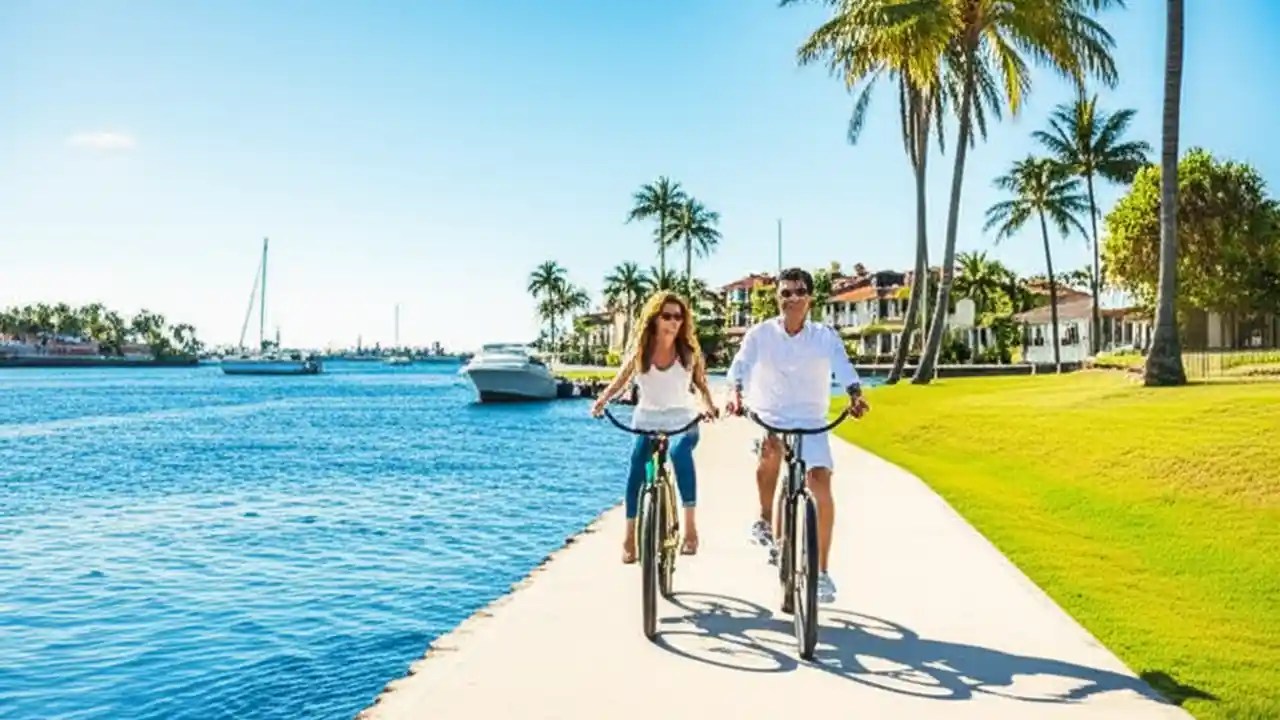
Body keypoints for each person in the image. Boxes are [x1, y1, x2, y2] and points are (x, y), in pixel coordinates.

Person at [725, 267, 869, 603]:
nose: (792, 298)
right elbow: (741, 366)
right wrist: (735, 394)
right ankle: (764, 518)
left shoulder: (825, 336)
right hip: (770, 415)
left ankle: (820, 573)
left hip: (810, 419)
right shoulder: (760, 334)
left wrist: (855, 394)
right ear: (777, 297)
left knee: (819, 481)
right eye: (786, 292)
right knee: (770, 450)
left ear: (810, 297)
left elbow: (844, 366)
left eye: (799, 291)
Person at [592, 290, 719, 563]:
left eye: (679, 317)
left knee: (679, 454)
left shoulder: (688, 353)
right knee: (637, 465)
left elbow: (701, 386)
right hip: (648, 418)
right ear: (655, 319)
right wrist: (601, 401)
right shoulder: (641, 351)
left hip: (683, 418)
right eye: (667, 316)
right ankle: (629, 536)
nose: (674, 322)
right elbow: (620, 380)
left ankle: (691, 529)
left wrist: (708, 406)